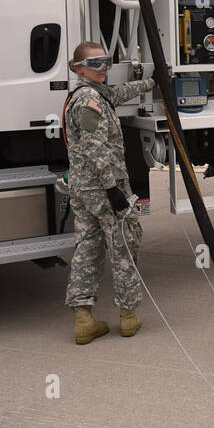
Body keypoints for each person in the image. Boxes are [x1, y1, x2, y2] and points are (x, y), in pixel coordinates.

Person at [63, 41, 156, 345]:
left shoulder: (93, 93)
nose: (103, 68)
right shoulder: (89, 101)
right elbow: (94, 147)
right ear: (78, 68)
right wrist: (112, 188)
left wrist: (152, 82)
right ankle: (128, 316)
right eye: (95, 63)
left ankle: (83, 320)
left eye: (106, 62)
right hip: (104, 188)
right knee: (125, 243)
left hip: (83, 190)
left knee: (88, 248)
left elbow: (117, 94)